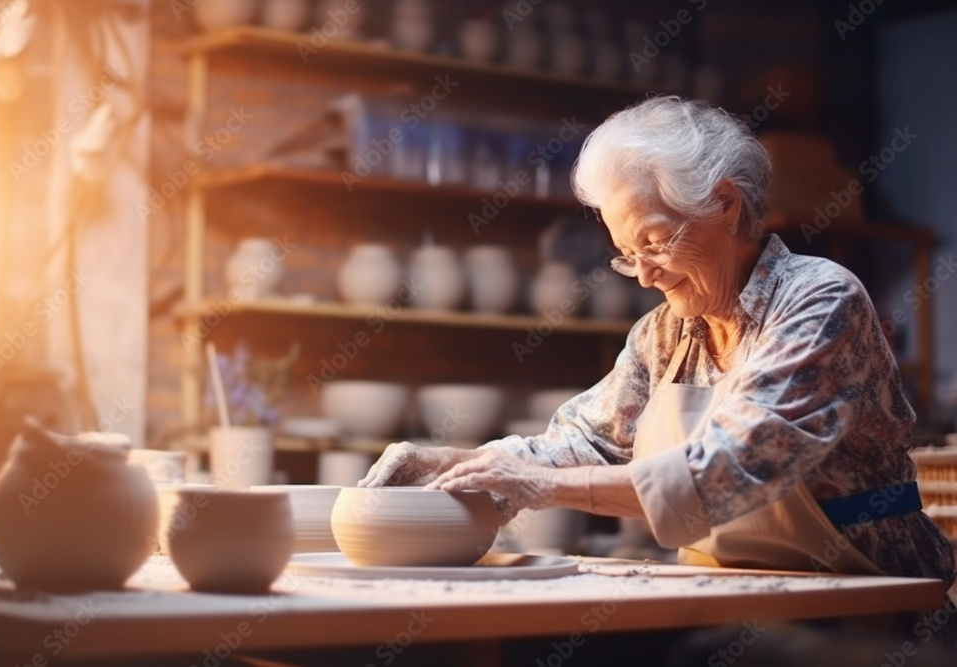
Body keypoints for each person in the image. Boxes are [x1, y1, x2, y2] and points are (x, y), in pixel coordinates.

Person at [359, 96, 955, 590]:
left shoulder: (820, 301)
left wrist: (537, 488)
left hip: (865, 597)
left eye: (656, 242)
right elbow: (585, 442)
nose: (644, 275)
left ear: (725, 204)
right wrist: (457, 463)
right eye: (627, 255)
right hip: (730, 587)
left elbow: (734, 465)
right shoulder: (665, 333)